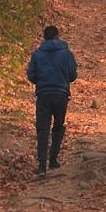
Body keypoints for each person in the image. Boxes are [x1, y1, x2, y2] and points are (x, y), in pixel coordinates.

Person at [25, 22, 78, 177]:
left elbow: (31, 75)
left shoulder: (37, 54)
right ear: (57, 36)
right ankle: (53, 158)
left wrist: (42, 83)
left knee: (43, 130)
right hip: (61, 94)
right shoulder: (66, 53)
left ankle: (42, 166)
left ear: (44, 38)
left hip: (43, 95)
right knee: (58, 126)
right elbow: (73, 75)